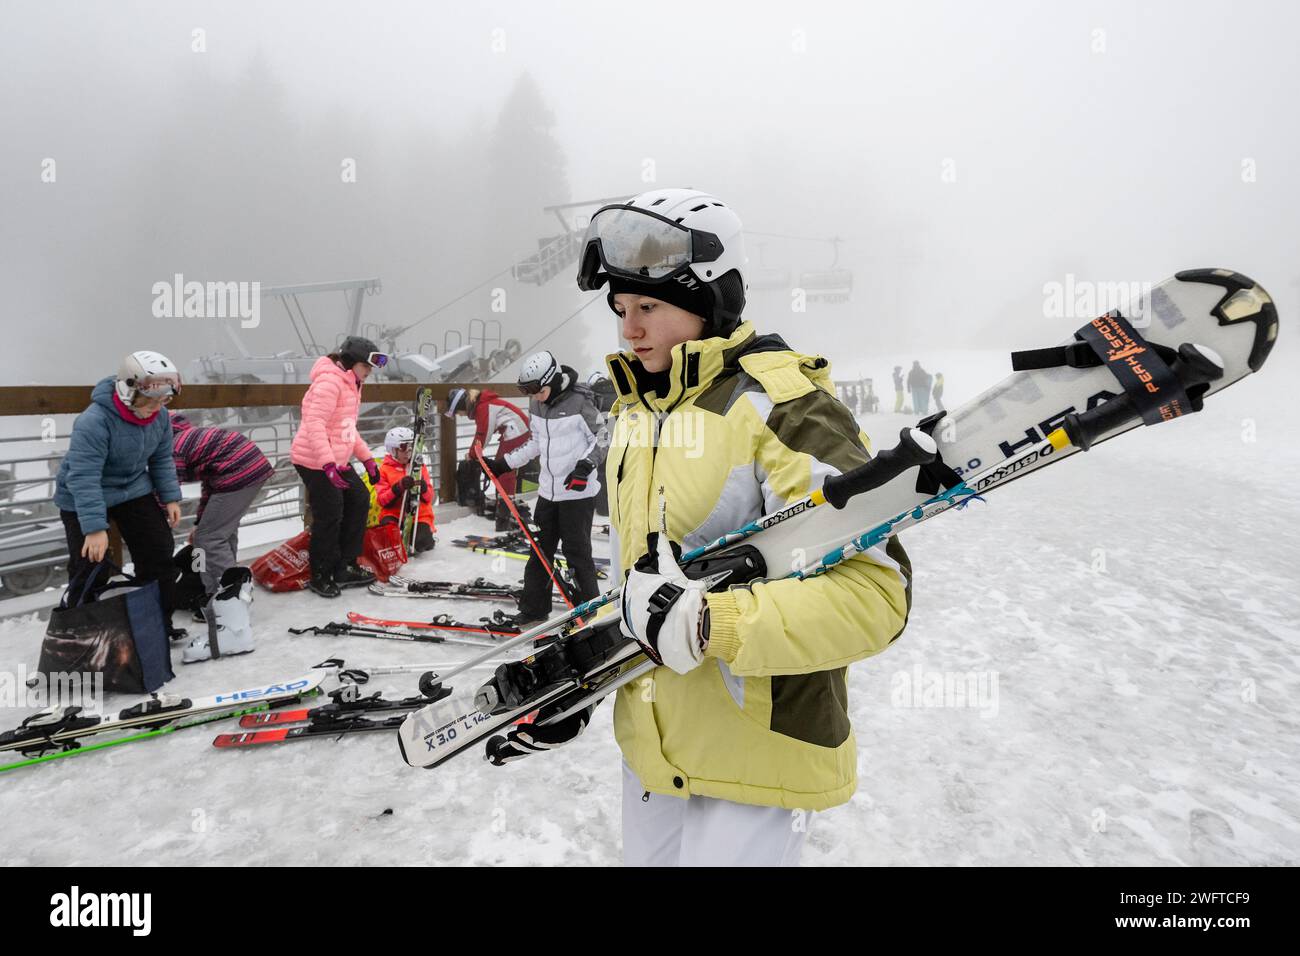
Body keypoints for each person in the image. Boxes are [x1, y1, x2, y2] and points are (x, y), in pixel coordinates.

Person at [488, 188, 913, 867]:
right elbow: (643, 589)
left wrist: (718, 624)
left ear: (710, 298)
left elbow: (877, 595)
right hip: (655, 750)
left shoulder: (784, 406)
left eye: (649, 307)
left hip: (758, 752)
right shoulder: (636, 411)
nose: (629, 329)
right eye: (622, 310)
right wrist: (582, 679)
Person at [53, 350, 187, 638]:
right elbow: (84, 476)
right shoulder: (94, 421)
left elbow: (162, 459)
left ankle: (156, 625)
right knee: (90, 564)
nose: (156, 407)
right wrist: (94, 528)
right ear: (128, 390)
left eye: (163, 401)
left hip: (132, 489)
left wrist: (170, 497)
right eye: (149, 401)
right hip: (84, 493)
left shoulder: (160, 418)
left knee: (158, 551)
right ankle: (82, 634)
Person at [500, 350, 606, 625]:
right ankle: (534, 608)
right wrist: (505, 463)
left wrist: (585, 467)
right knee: (539, 550)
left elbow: (603, 439)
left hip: (577, 493)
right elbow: (535, 442)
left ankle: (589, 609)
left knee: (577, 552)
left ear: (553, 381)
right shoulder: (537, 405)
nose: (535, 397)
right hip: (548, 492)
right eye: (530, 392)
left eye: (538, 391)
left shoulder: (581, 402)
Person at [290, 335, 384, 598]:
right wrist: (328, 465)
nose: (369, 373)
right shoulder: (329, 383)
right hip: (314, 459)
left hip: (336, 459)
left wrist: (366, 458)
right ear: (352, 362)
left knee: (359, 498)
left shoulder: (352, 383)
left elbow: (346, 429)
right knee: (330, 512)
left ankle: (345, 565)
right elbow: (314, 426)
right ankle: (320, 574)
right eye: (367, 367)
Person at [170, 412, 274, 619]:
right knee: (219, 533)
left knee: (209, 538)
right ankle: (229, 585)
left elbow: (169, 488)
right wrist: (200, 522)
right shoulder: (190, 438)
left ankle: (225, 600)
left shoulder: (174, 448)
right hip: (249, 468)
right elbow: (210, 486)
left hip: (239, 473)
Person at [445, 385, 530, 531]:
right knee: (502, 467)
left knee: (504, 471)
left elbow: (483, 434)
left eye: (458, 412)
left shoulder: (483, 407)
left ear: (461, 405)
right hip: (514, 430)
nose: (460, 415)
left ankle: (504, 515)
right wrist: (474, 452)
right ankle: (504, 510)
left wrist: (472, 454)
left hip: (517, 430)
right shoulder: (482, 405)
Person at [375, 426, 436, 553]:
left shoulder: (419, 467)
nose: (408, 452)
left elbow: (430, 498)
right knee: (387, 538)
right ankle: (398, 536)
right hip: (394, 514)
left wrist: (423, 488)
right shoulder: (384, 469)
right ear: (392, 450)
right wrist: (398, 488)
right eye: (403, 448)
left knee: (421, 542)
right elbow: (382, 500)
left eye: (410, 447)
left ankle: (423, 535)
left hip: (419, 515)